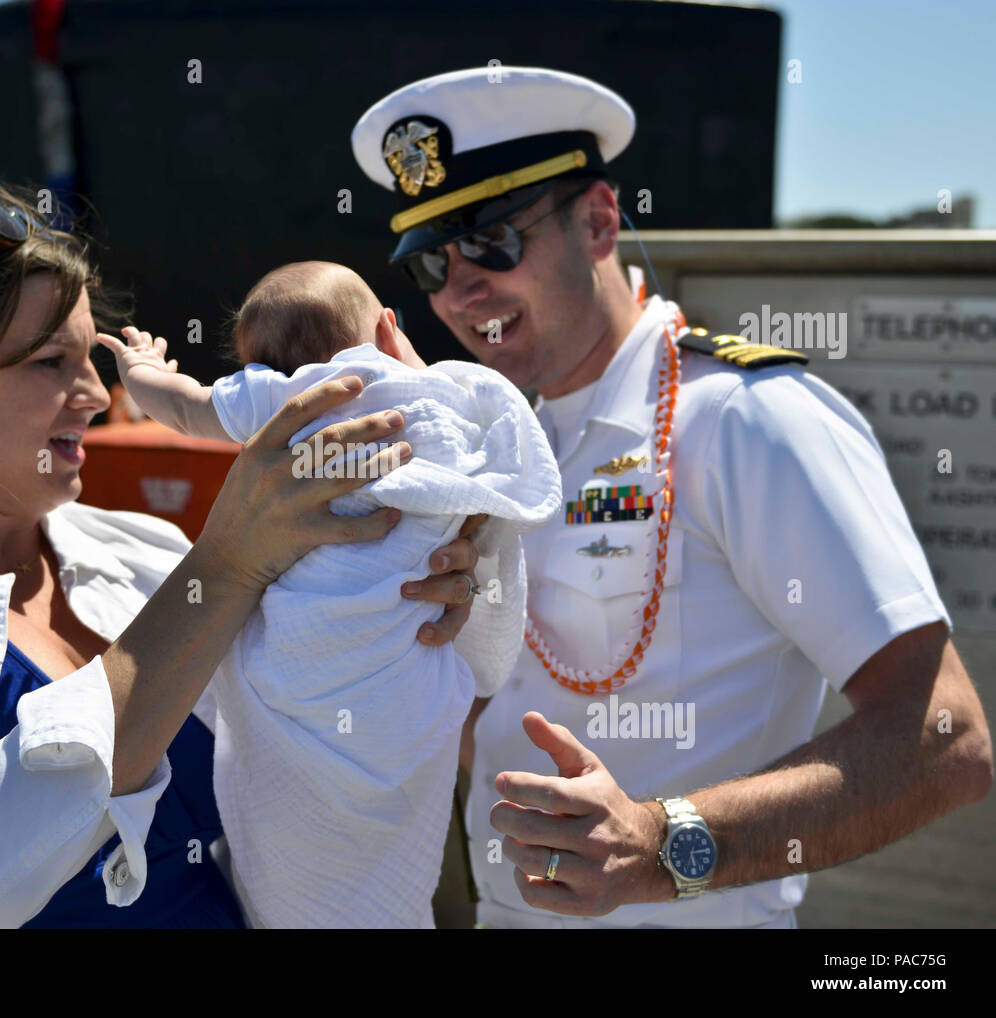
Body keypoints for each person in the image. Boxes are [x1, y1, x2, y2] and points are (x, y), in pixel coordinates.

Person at [0, 186, 483, 929]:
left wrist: (417, 575)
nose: (93, 393)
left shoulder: (150, 552)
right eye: (50, 362)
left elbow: (343, 719)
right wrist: (226, 563)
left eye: (91, 358)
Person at [350, 66, 993, 928]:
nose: (463, 288)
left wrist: (662, 847)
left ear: (601, 221)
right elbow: (499, 727)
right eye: (435, 258)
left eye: (496, 237)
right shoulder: (505, 452)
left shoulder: (744, 419)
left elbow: (947, 740)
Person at [97, 259, 560, 926]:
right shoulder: (445, 403)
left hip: (310, 661)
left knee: (303, 852)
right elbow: (494, 505)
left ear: (258, 365)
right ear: (386, 327)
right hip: (400, 659)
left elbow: (186, 409)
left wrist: (144, 373)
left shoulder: (283, 398)